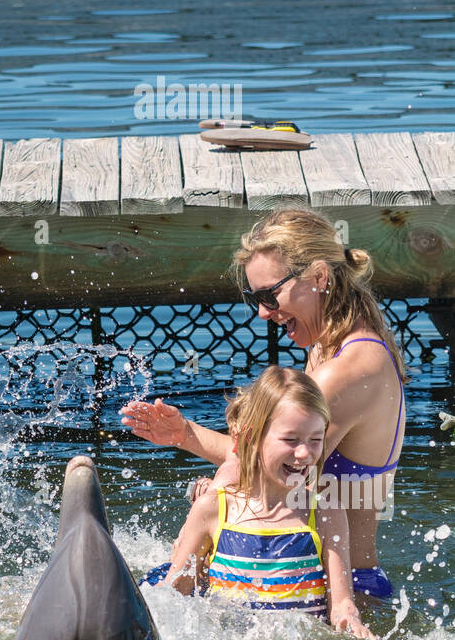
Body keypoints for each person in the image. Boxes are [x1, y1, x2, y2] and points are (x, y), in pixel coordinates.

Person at [120, 208, 404, 601]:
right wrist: (184, 435)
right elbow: (272, 455)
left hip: (326, 591)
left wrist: (194, 451)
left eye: (271, 295)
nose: (263, 312)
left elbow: (259, 467)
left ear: (319, 277)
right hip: (299, 572)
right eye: (255, 297)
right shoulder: (335, 345)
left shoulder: (345, 371)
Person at [163, 367, 374, 640]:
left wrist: (350, 621)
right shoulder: (213, 510)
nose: (304, 453)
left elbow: (342, 603)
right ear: (252, 437)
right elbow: (174, 597)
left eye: (316, 440)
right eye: (290, 439)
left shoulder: (324, 512)